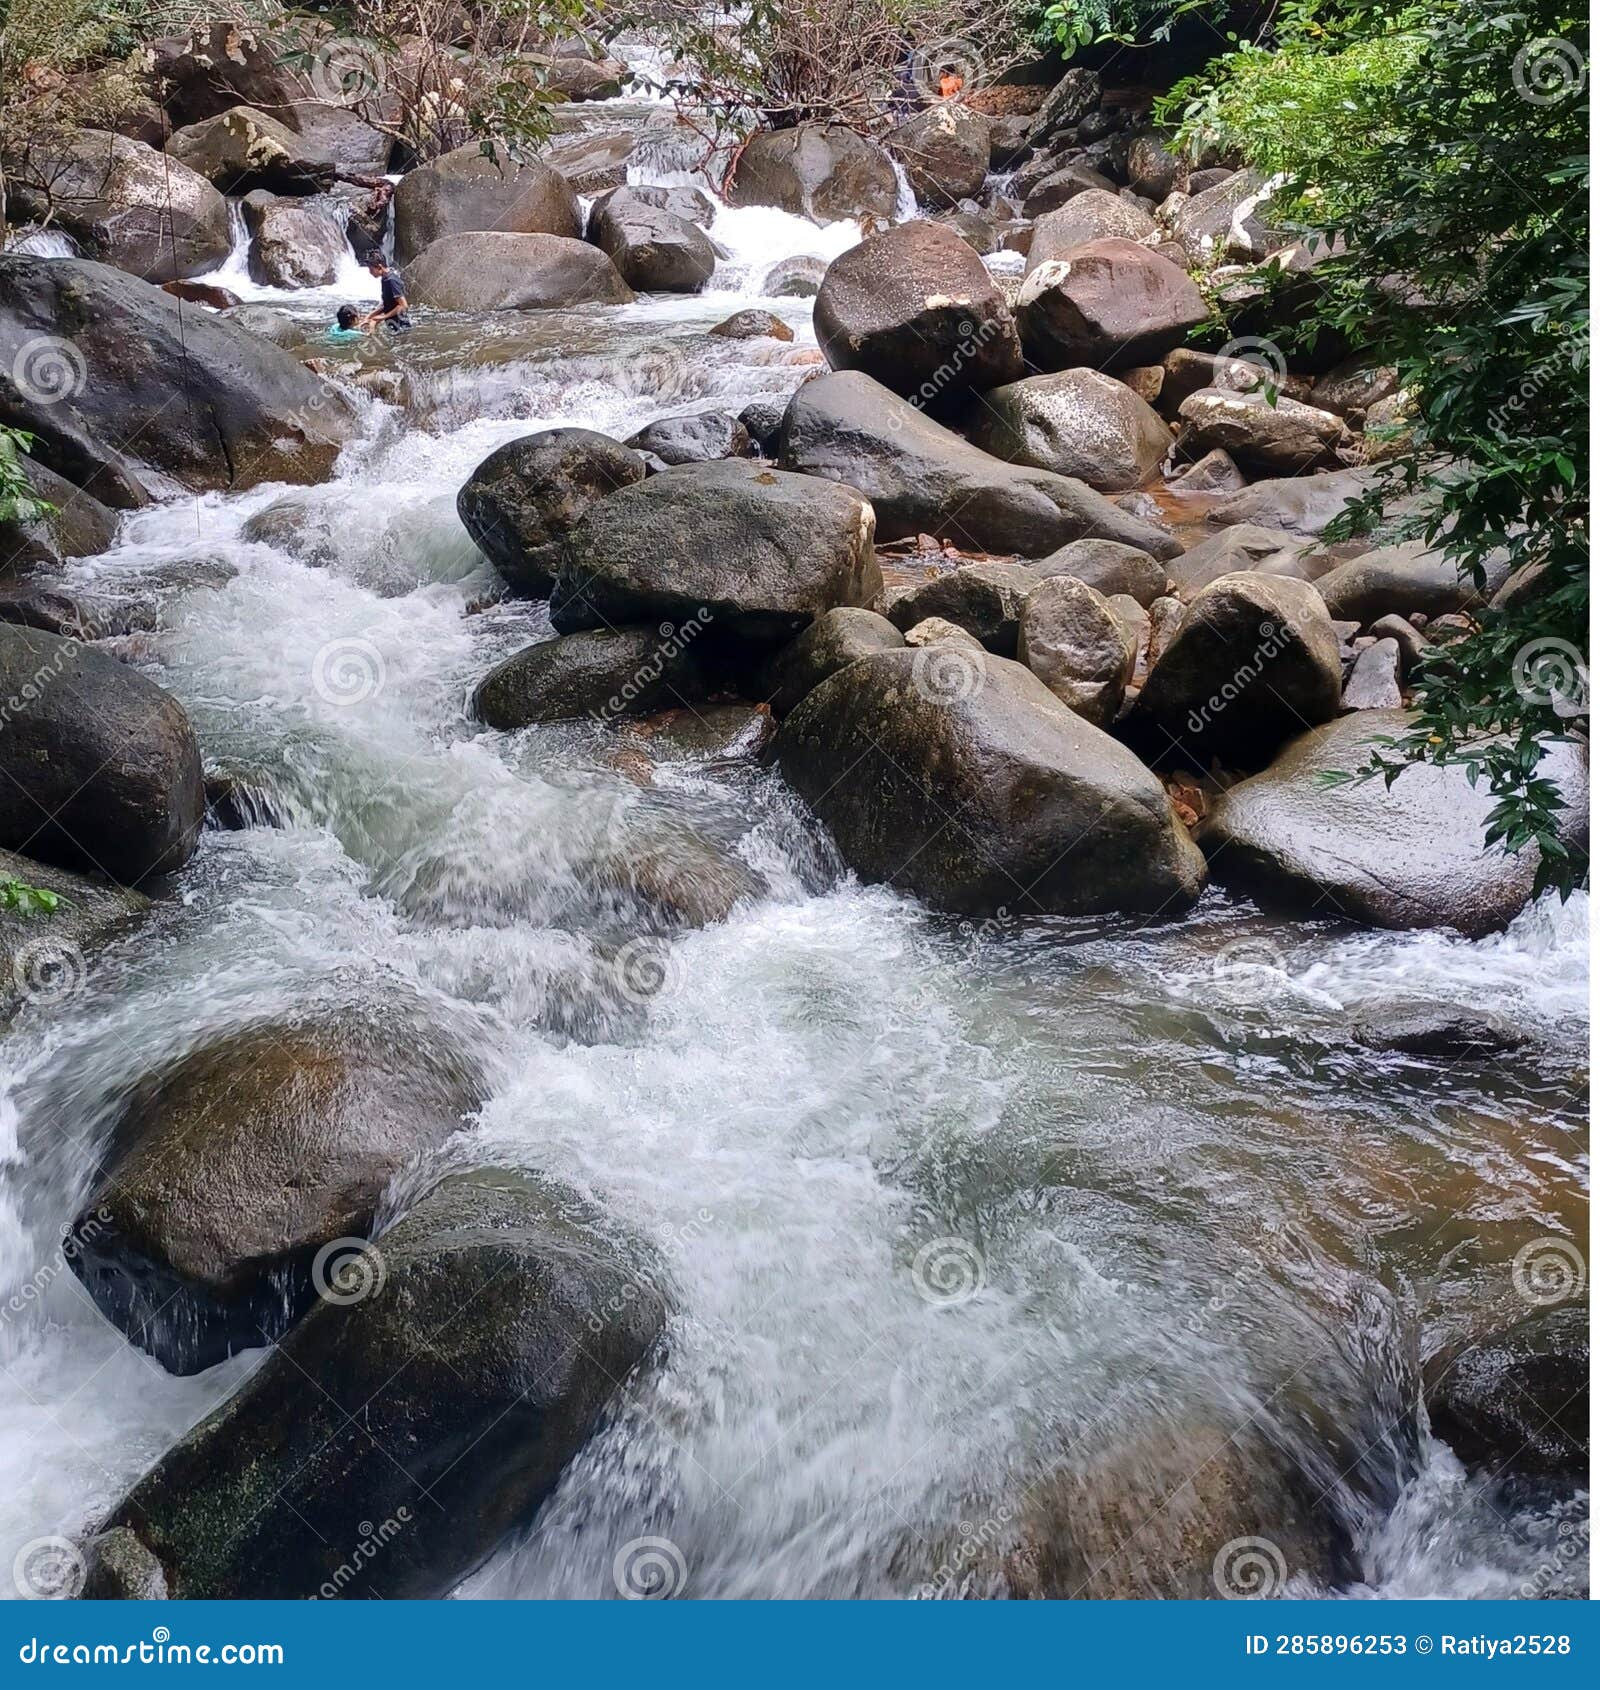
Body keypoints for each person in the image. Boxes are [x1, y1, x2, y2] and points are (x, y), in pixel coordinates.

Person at [363, 252, 412, 332]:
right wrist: (370, 316)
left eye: (371, 269)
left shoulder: (392, 281)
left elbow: (403, 306)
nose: (370, 272)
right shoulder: (385, 279)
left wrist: (383, 317)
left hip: (401, 328)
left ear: (379, 267)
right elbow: (387, 305)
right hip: (394, 326)